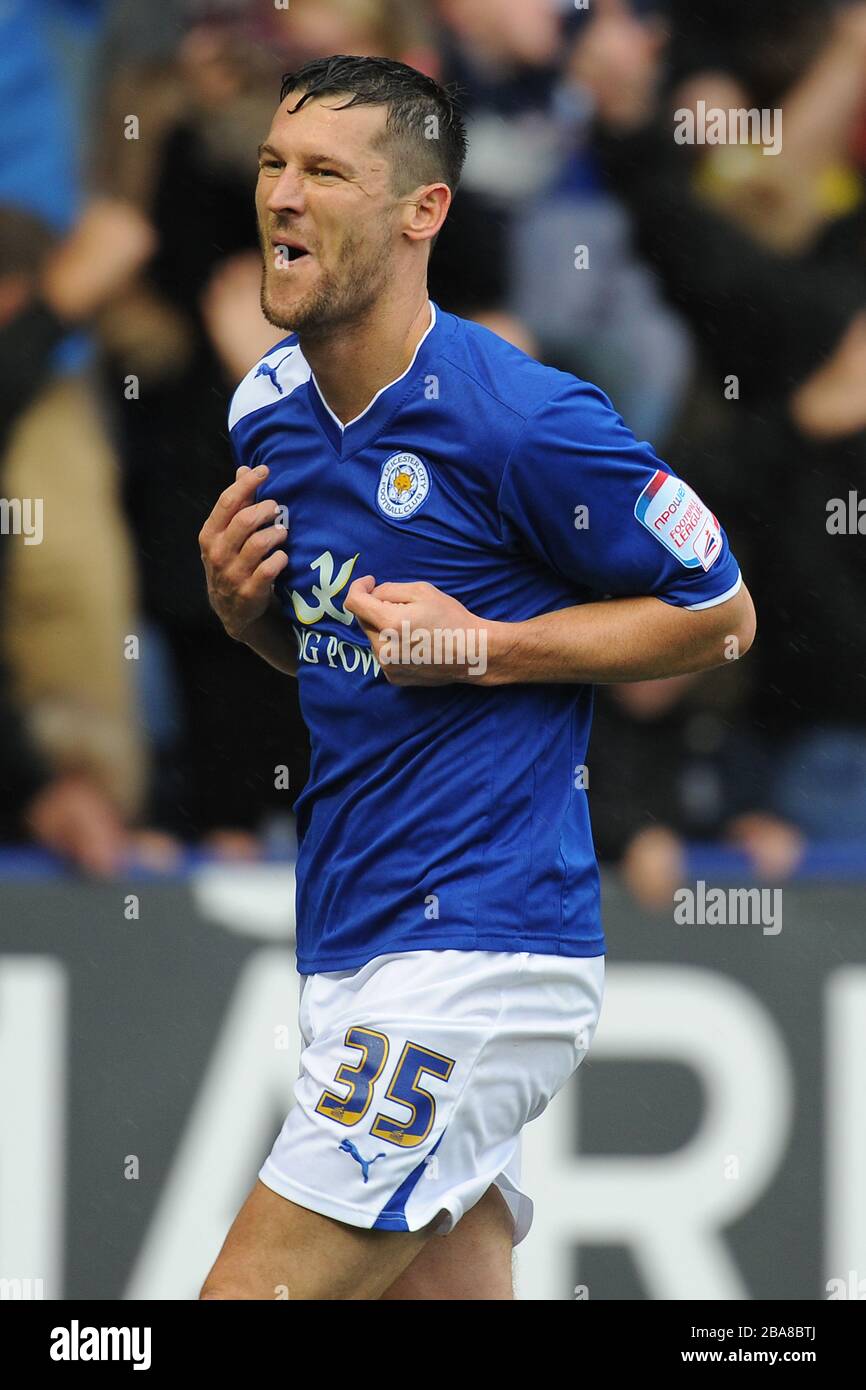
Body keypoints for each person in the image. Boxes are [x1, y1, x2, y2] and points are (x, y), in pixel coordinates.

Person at [197, 54, 755, 1302]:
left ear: (422, 213)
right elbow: (357, 656)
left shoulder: (525, 420)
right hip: (351, 943)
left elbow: (719, 615)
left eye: (325, 173)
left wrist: (491, 643)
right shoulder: (267, 412)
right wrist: (251, 624)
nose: (283, 197)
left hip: (482, 952)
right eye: (272, 165)